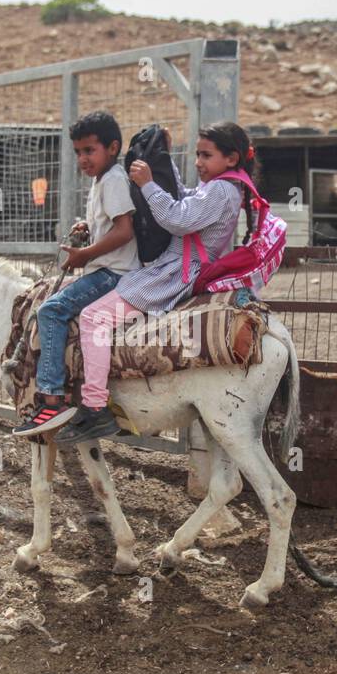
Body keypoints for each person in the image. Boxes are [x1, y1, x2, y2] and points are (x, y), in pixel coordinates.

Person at [55, 121, 259, 445]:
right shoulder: (224, 186)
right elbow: (186, 198)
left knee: (94, 318)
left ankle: (95, 408)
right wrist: (164, 164)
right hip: (174, 267)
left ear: (232, 158)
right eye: (196, 155)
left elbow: (178, 219)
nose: (199, 162)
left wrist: (149, 184)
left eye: (206, 155)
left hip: (173, 273)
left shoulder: (222, 190)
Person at [12, 110, 139, 436]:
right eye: (78, 152)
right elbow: (109, 226)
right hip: (106, 267)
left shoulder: (112, 181)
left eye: (89, 151)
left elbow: (124, 231)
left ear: (112, 148)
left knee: (51, 310)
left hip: (114, 273)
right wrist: (88, 229)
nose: (82, 159)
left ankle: (51, 399)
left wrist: (85, 254)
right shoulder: (101, 180)